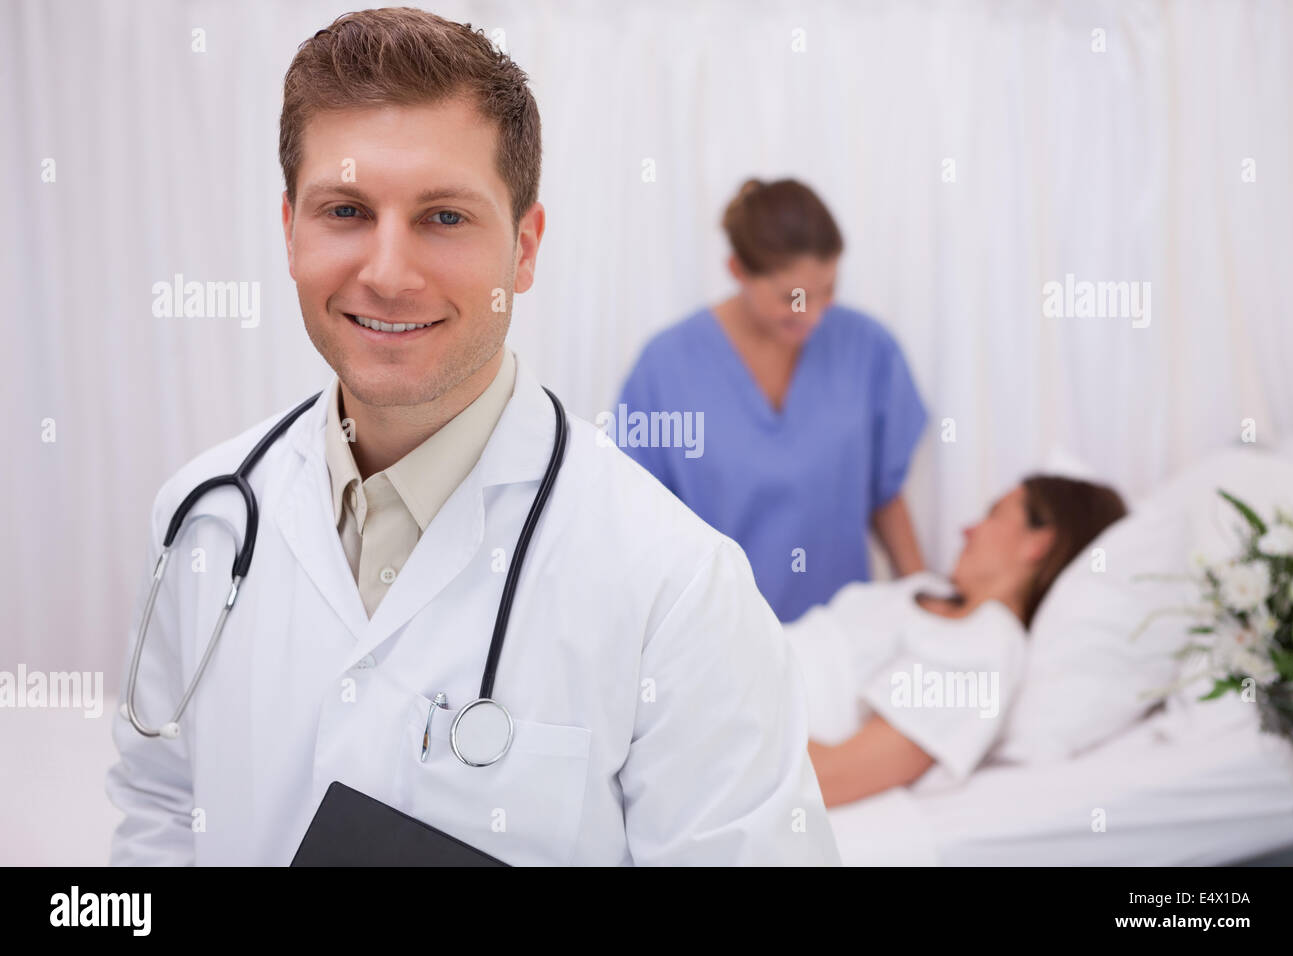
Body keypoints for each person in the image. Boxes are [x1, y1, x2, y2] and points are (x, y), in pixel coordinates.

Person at [105, 8, 839, 867]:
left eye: (444, 218)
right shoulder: (202, 516)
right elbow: (158, 812)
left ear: (524, 249)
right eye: (344, 210)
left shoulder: (676, 586)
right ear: (290, 230)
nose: (385, 271)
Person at [615, 178, 928, 624]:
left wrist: (924, 605)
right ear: (738, 270)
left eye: (828, 290)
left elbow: (887, 496)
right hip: (713, 640)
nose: (815, 314)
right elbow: (637, 527)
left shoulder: (867, 348)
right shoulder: (666, 368)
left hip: (842, 640)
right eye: (792, 298)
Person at [788, 475, 1127, 807]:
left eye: (993, 514)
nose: (967, 529)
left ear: (1036, 544)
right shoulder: (925, 592)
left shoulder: (985, 647)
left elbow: (831, 777)